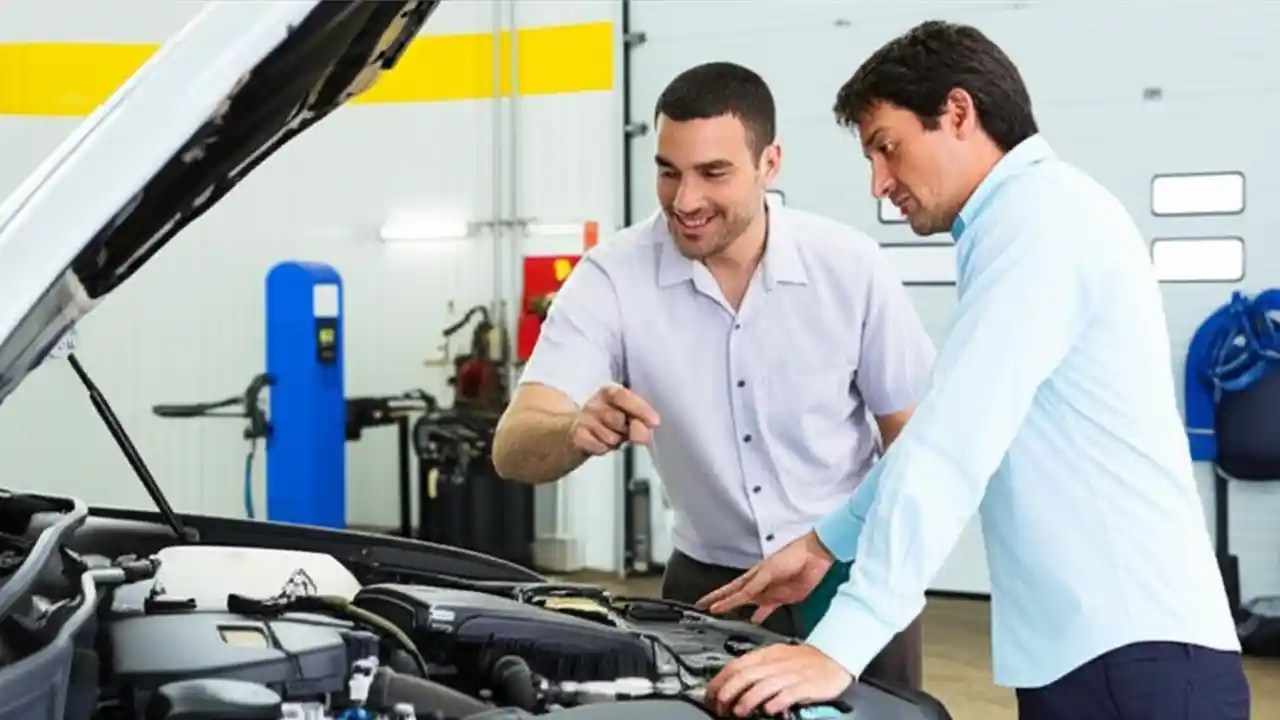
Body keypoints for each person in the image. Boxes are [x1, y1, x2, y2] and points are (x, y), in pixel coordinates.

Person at [696, 20, 1250, 720]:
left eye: (887, 149)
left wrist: (840, 643)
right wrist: (823, 544)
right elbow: (948, 428)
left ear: (958, 113)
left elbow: (954, 441)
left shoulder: (1041, 221)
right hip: (1103, 652)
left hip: (1135, 659)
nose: (878, 182)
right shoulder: (1024, 221)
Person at [490, 61, 936, 691]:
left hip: (847, 577)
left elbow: (915, 444)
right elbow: (513, 448)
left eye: (713, 173)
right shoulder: (612, 276)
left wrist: (881, 576)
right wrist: (571, 430)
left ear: (770, 164)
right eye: (668, 172)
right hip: (708, 589)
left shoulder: (850, 267)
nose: (685, 199)